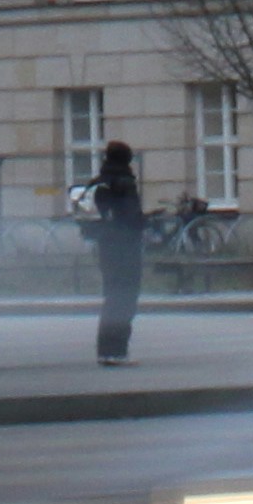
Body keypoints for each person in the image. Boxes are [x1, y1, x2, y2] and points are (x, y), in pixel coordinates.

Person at [83, 139, 151, 365]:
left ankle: (105, 349)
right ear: (127, 159)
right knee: (125, 298)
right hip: (125, 247)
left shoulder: (99, 182)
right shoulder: (124, 181)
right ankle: (117, 350)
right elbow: (132, 218)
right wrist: (146, 222)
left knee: (111, 296)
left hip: (105, 247)